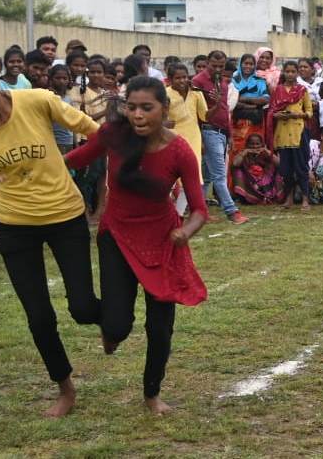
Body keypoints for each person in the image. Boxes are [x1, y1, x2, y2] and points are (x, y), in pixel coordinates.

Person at [0, 49, 102, 417]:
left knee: (83, 307)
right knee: (38, 316)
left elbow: (92, 129)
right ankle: (65, 389)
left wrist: (122, 148)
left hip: (65, 215)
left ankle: (110, 321)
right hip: (15, 226)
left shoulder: (36, 100)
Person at [63, 76, 208, 415]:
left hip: (162, 242)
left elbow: (200, 209)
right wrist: (33, 167)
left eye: (147, 108)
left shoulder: (179, 150)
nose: (138, 115)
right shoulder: (113, 136)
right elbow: (75, 159)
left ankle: (152, 394)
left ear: (164, 109)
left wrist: (185, 231)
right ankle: (110, 329)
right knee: (117, 326)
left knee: (160, 326)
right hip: (116, 236)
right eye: (132, 108)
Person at [190, 51, 247, 225]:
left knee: (207, 177)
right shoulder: (198, 82)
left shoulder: (222, 82)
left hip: (221, 132)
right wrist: (199, 137)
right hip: (209, 131)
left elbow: (224, 109)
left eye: (221, 66)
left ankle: (199, 212)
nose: (217, 69)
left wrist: (228, 132)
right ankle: (232, 211)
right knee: (219, 175)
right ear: (207, 62)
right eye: (214, 65)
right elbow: (196, 111)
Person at [164, 64, 207, 214]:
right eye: (178, 78)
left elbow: (205, 116)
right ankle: (163, 212)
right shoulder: (164, 94)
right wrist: (163, 123)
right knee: (168, 177)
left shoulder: (196, 93)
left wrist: (219, 102)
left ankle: (178, 214)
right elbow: (156, 116)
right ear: (170, 79)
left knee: (192, 177)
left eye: (184, 77)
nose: (182, 81)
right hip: (171, 138)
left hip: (193, 138)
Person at [271, 61, 313, 209]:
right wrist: (278, 115)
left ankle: (305, 200)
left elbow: (309, 112)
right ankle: (288, 199)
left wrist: (297, 114)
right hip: (282, 133)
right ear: (283, 73)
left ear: (297, 73)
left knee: (301, 167)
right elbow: (272, 111)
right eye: (287, 71)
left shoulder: (302, 90)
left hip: (299, 132)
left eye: (292, 71)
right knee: (286, 169)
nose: (290, 74)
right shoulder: (278, 90)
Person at [230, 52, 271, 158]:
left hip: (256, 122)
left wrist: (244, 98)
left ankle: (256, 174)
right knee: (237, 150)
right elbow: (232, 101)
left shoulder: (260, 81)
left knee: (256, 150)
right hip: (237, 122)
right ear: (240, 64)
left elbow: (266, 99)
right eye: (245, 63)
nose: (248, 66)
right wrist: (254, 104)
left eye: (251, 64)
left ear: (255, 65)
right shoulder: (233, 80)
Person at [230, 133, 283, 205]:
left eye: (257, 144)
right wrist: (245, 152)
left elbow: (279, 164)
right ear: (247, 144)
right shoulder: (244, 153)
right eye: (252, 144)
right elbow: (235, 164)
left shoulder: (265, 153)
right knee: (237, 171)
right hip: (250, 183)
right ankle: (246, 199)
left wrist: (267, 151)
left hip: (265, 183)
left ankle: (271, 197)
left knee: (278, 171)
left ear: (262, 144)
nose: (255, 146)